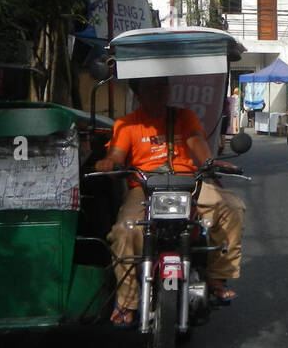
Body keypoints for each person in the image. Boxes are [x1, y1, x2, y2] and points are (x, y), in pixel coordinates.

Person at [95, 77, 246, 324]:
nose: (157, 92)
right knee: (126, 231)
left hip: (187, 184)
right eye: (150, 87)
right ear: (137, 93)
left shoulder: (184, 117)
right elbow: (116, 154)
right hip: (144, 187)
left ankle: (218, 276)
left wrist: (211, 163)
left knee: (230, 207)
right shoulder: (127, 124)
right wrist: (109, 162)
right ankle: (126, 303)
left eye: (161, 86)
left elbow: (199, 146)